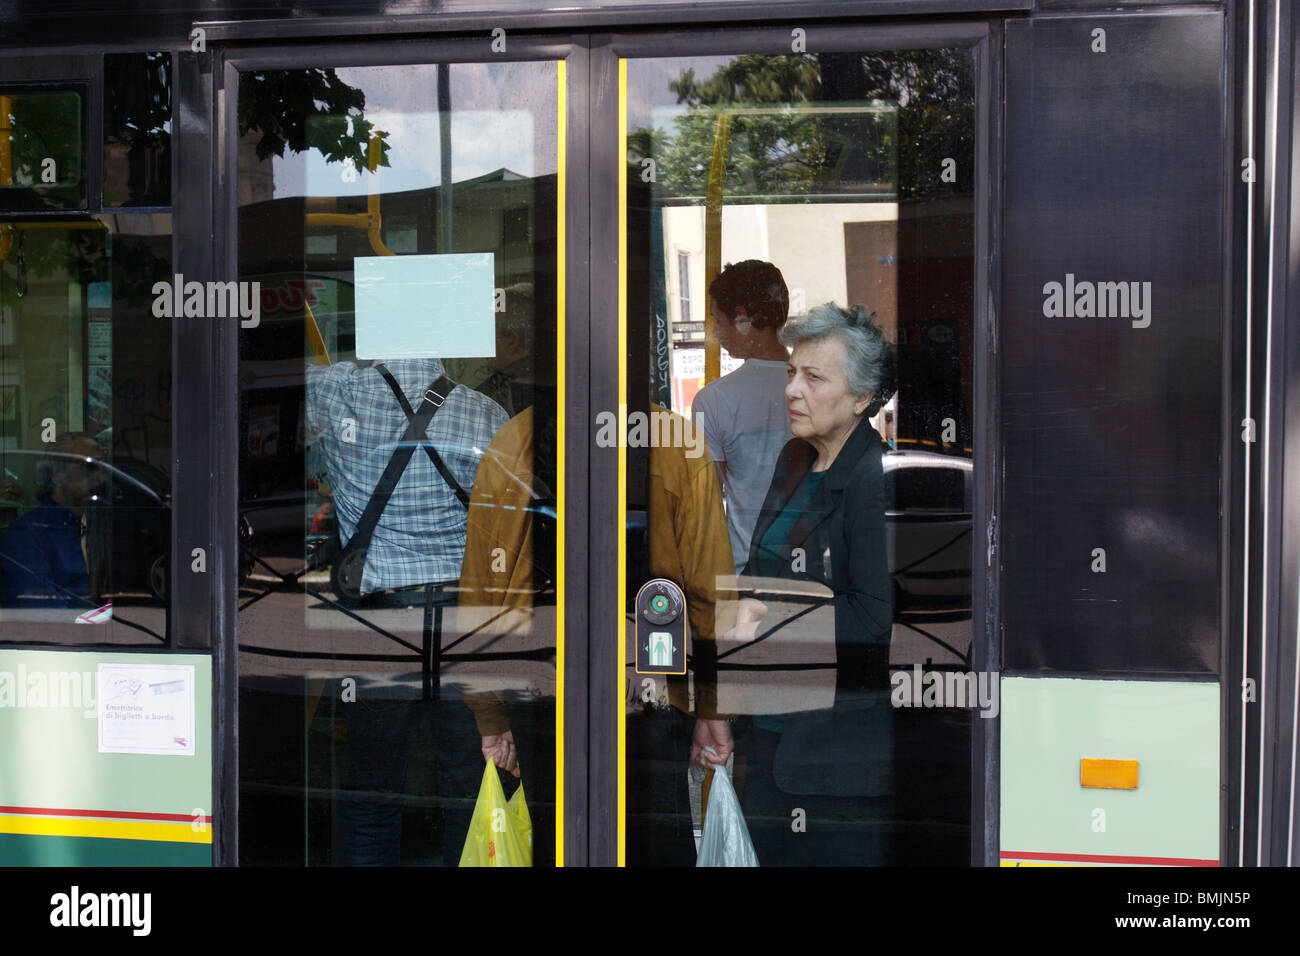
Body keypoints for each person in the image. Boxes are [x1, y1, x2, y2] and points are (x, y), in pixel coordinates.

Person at [695, 303, 896, 866]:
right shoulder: (794, 459)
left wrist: (771, 617)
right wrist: (721, 703)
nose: (792, 390)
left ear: (862, 398)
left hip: (833, 762)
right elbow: (758, 583)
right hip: (771, 740)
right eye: (791, 372)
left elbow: (875, 618)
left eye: (814, 377)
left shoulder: (871, 480)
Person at [691, 260, 794, 575]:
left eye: (718, 320)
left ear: (742, 319)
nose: (716, 332)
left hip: (745, 572)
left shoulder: (713, 400)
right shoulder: (821, 387)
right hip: (817, 568)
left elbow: (706, 502)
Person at [0, 435, 106, 609]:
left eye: (104, 467)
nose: (101, 476)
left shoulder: (101, 524)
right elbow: (42, 613)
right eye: (90, 466)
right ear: (57, 475)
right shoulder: (28, 534)